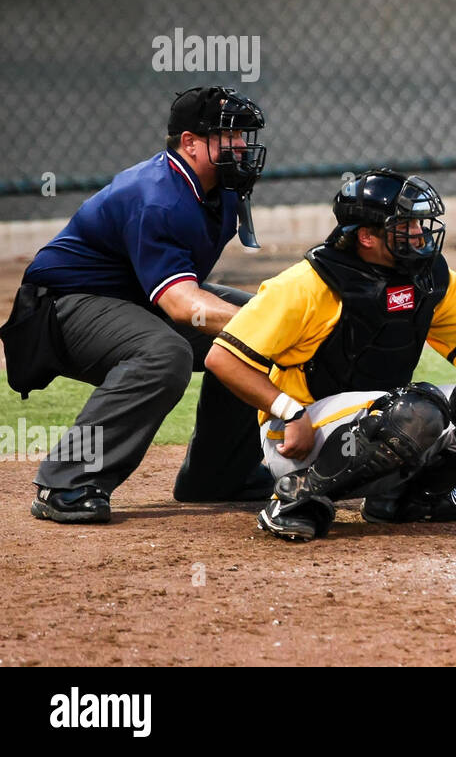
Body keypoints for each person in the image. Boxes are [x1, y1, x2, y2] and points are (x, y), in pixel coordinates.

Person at [203, 168, 456, 541]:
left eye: (420, 223)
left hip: (387, 419)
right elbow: (222, 359)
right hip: (298, 437)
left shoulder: (427, 277)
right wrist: (289, 412)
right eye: (406, 225)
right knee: (418, 410)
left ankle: (408, 501)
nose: (420, 233)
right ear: (367, 236)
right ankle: (295, 499)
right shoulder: (306, 284)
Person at [7, 86, 273, 524]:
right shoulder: (157, 196)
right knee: (165, 353)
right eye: (230, 135)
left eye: (244, 135)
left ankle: (219, 474)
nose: (242, 146)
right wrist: (269, 319)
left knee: (259, 334)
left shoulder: (222, 187)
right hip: (64, 307)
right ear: (189, 142)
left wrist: (268, 321)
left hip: (133, 299)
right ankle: (67, 482)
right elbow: (184, 305)